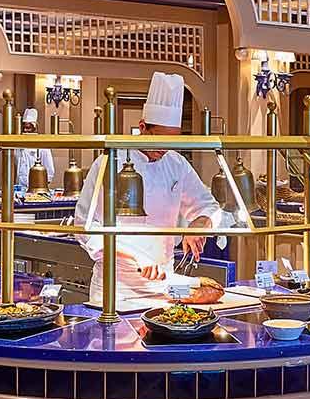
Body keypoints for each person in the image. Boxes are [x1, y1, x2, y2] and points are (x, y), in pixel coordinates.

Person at [74, 72, 228, 309]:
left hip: (166, 285)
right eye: (161, 139)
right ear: (143, 127)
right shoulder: (109, 163)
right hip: (116, 287)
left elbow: (209, 206)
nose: (166, 148)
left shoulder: (177, 164)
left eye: (173, 141)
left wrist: (200, 224)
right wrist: (135, 256)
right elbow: (85, 227)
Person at [13, 109, 59, 194]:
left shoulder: (43, 147)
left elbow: (49, 172)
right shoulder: (18, 146)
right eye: (24, 128)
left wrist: (41, 187)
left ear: (34, 128)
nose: (25, 130)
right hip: (20, 190)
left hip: (37, 190)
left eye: (28, 128)